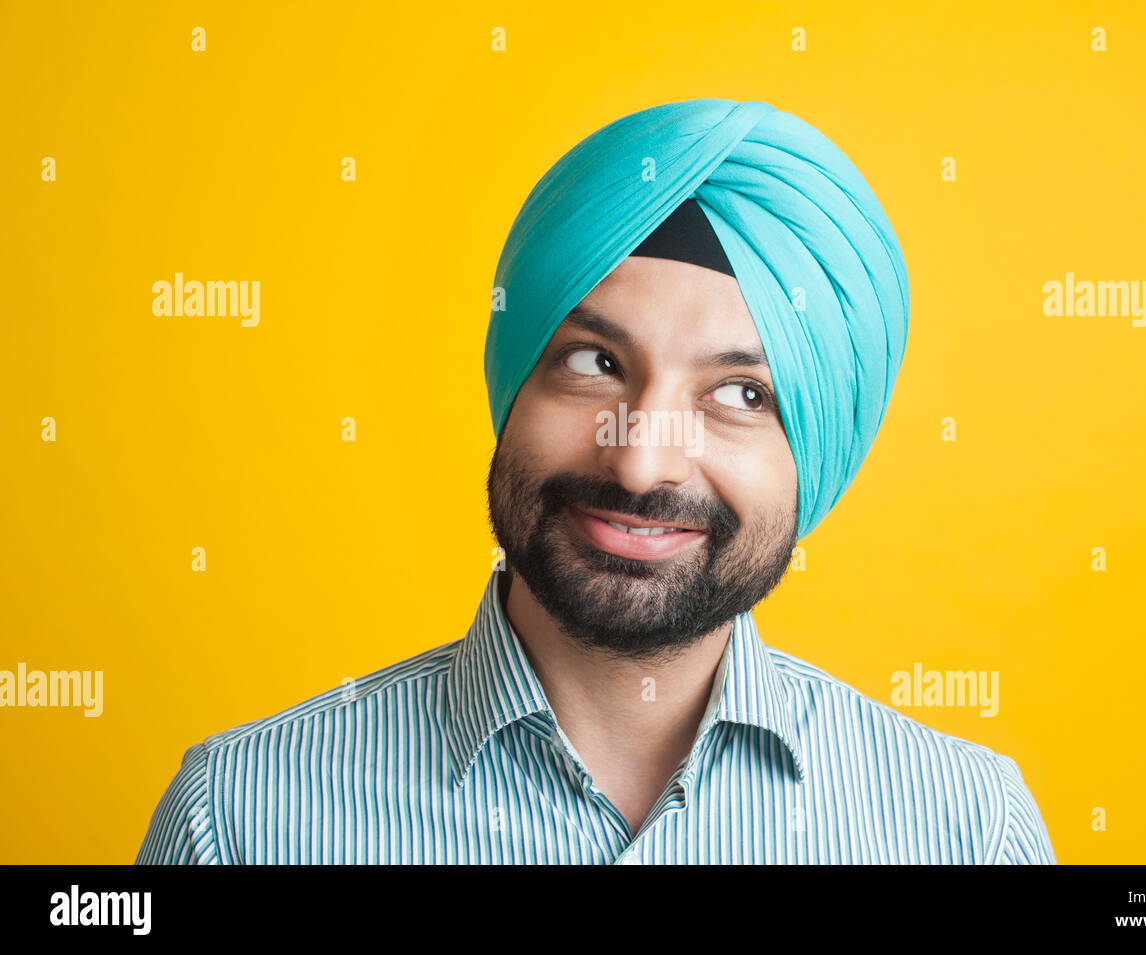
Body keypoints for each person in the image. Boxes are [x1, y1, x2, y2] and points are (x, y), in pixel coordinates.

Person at [136, 98, 1056, 864]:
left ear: (816, 454)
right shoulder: (241, 822)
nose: (642, 458)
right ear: (514, 384)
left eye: (739, 392)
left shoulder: (965, 829)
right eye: (594, 363)